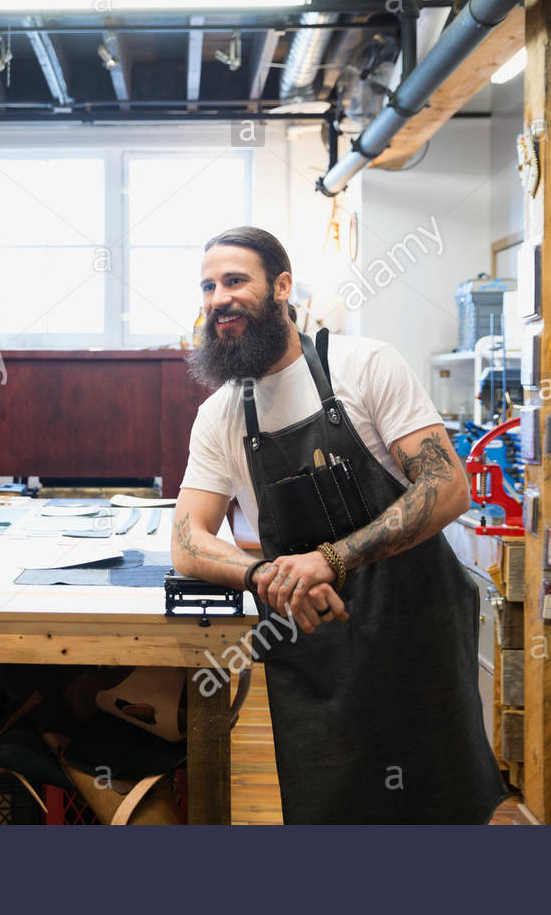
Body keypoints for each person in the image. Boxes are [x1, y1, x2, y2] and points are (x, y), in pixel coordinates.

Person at [172, 225, 506, 823]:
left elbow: (447, 486)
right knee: (330, 810)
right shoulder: (220, 413)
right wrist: (263, 573)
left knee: (440, 807)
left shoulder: (364, 365)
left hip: (415, 629)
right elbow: (187, 540)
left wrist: (331, 558)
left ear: (281, 286)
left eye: (234, 281)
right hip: (315, 645)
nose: (218, 297)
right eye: (207, 286)